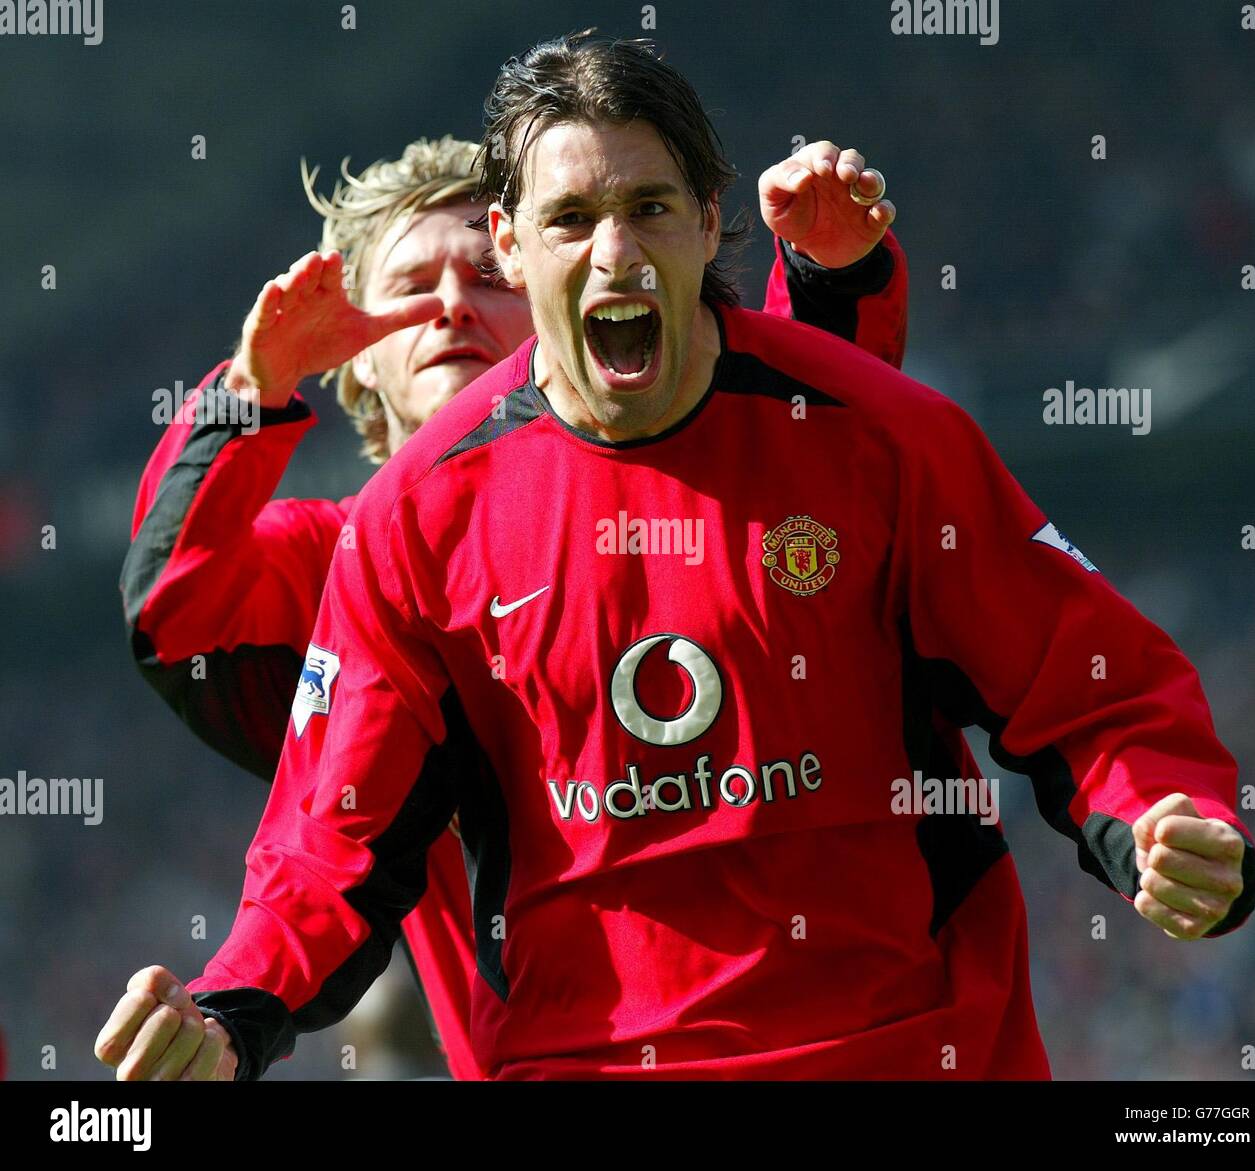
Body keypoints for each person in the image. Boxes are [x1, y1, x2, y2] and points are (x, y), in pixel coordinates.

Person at [100, 29, 1255, 1083]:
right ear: (523, 237)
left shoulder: (884, 440)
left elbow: (1082, 672)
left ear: (709, 222)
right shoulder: (400, 525)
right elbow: (323, 832)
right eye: (567, 221)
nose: (613, 253)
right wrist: (233, 1011)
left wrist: (1161, 811)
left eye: (649, 208)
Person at [108, 121, 912, 1080]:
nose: (449, 307)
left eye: (487, 277)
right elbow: (172, 607)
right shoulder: (337, 562)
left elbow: (809, 445)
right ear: (354, 357)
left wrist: (832, 279)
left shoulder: (674, 487)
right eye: (409, 291)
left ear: (551, 295)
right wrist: (252, 390)